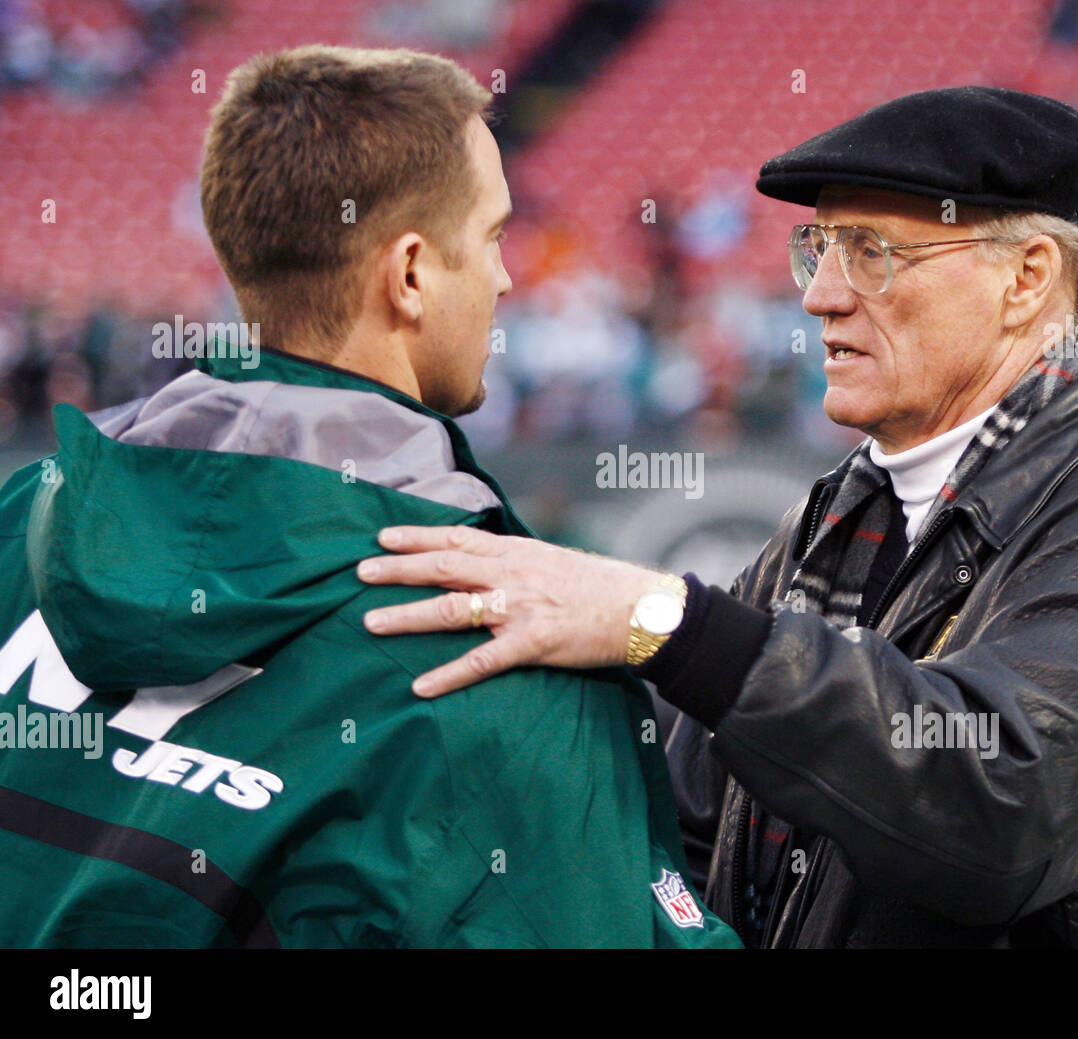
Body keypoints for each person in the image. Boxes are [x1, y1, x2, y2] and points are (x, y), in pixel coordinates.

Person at [356, 86, 1078, 948]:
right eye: (818, 248)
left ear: (1027, 279)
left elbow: (997, 815)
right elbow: (684, 828)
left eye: (871, 251)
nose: (821, 294)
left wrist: (662, 619)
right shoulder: (838, 511)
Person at [0, 45, 739, 950]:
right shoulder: (499, 664)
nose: (508, 279)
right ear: (413, 273)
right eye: (496, 236)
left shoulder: (21, 514)